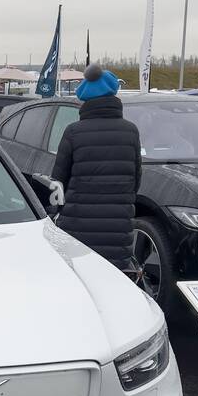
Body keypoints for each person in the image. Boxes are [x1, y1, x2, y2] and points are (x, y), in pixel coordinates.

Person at [50, 63, 142, 274]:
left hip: (77, 226)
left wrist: (54, 211)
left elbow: (58, 182)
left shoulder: (74, 132)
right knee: (115, 281)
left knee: (82, 281)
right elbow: (136, 179)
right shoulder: (131, 131)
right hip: (118, 227)